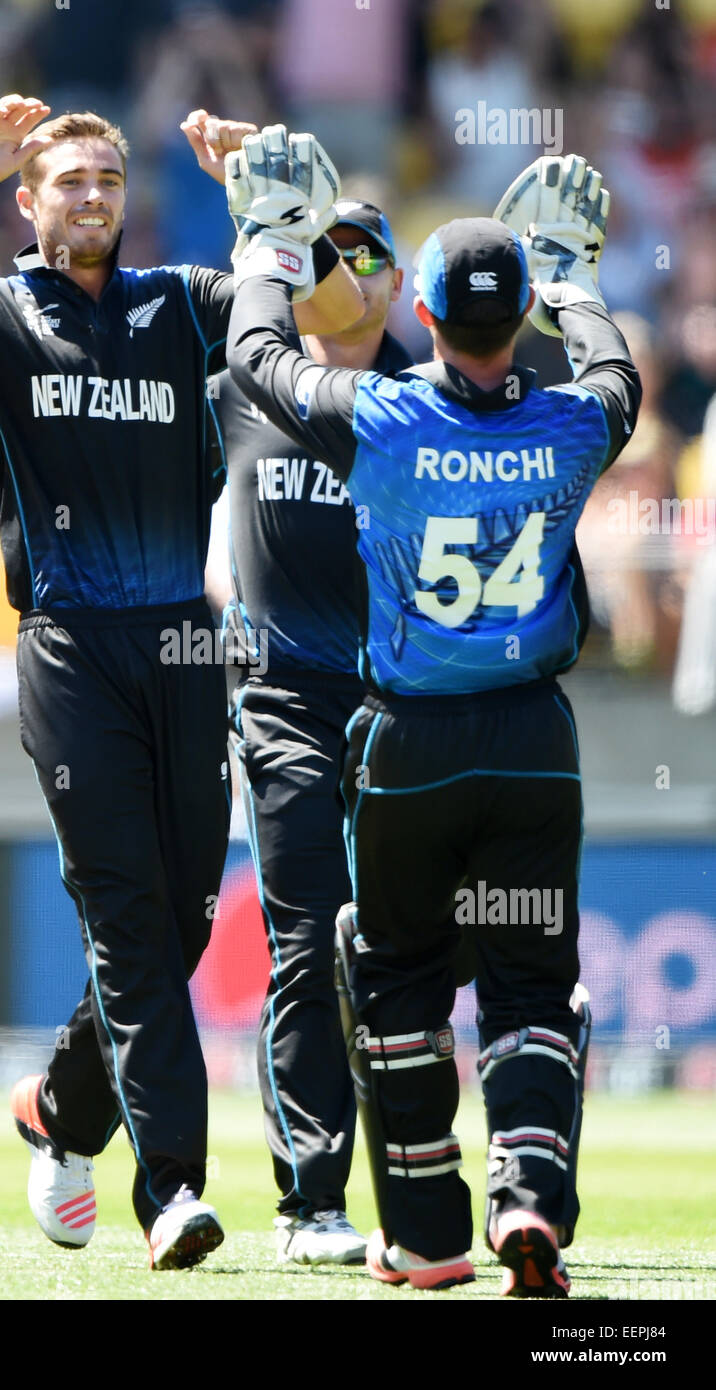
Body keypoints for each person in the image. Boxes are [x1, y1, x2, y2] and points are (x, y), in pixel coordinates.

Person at [0, 96, 361, 1270]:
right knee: (126, 916)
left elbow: (334, 308)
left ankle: (62, 1108)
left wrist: (268, 206)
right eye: (67, 183)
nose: (91, 200)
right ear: (28, 203)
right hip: (68, 645)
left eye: (107, 182)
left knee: (177, 919)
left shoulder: (182, 301)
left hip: (182, 642)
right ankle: (171, 1188)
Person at [224, 140, 640, 1294]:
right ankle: (527, 1196)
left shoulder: (384, 420)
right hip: (530, 746)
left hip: (406, 747)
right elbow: (619, 378)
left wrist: (265, 243)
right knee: (528, 981)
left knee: (397, 977)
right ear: (518, 319)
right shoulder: (569, 425)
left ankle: (423, 1237)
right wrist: (574, 281)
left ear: (417, 309)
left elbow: (256, 357)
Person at [205, 199, 411, 1265]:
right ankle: (310, 1202)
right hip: (282, 703)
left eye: (366, 253)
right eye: (324, 252)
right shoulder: (240, 390)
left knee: (401, 956)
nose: (345, 271)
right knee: (303, 945)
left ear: (395, 279)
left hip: (405, 707)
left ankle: (419, 1199)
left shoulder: (421, 400)